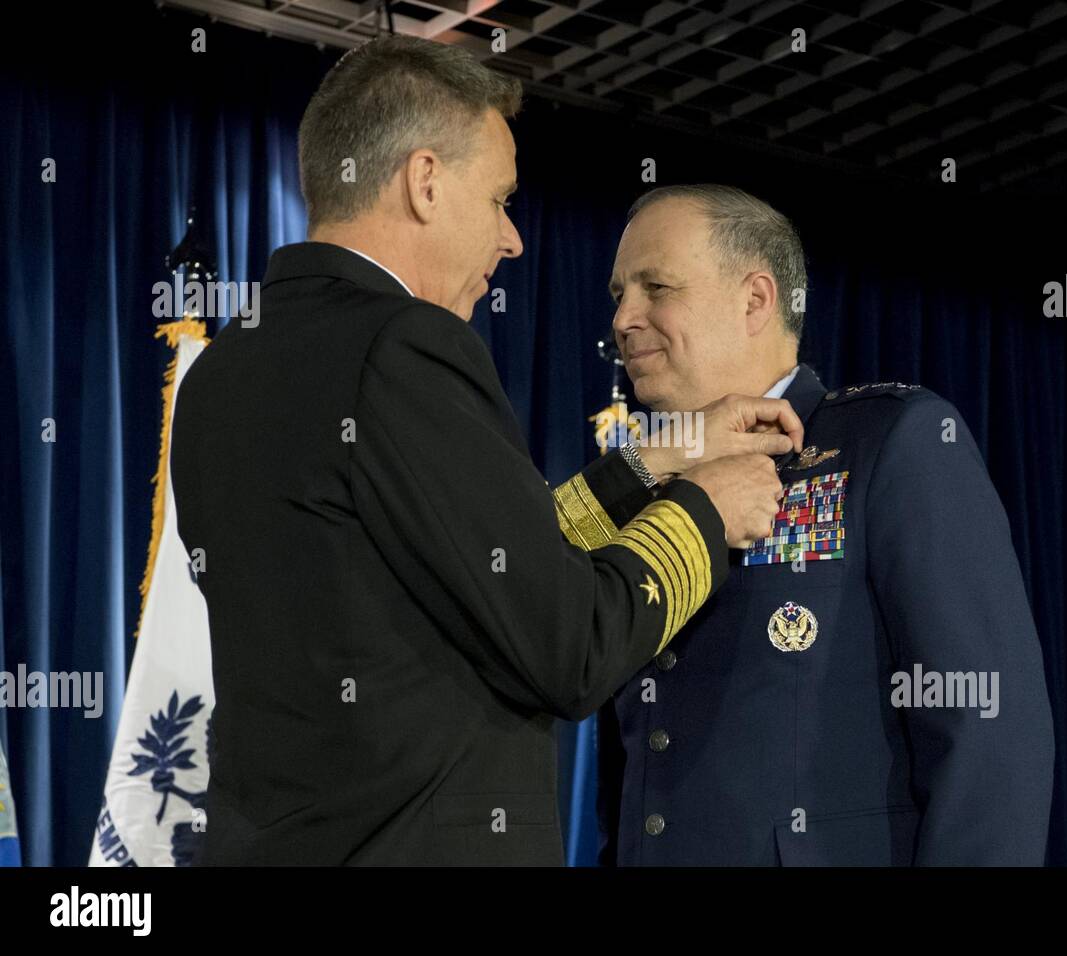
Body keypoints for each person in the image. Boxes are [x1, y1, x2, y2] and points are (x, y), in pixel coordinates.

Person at [170, 38, 799, 865]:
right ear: (425, 182)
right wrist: (706, 508)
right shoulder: (402, 345)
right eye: (500, 198)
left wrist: (655, 461)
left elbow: (481, 560)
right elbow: (567, 645)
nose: (513, 240)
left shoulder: (226, 368)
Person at [597, 184, 1056, 865]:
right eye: (617, 295)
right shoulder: (639, 485)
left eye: (656, 287)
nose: (625, 317)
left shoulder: (892, 441)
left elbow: (989, 732)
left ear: (755, 300)